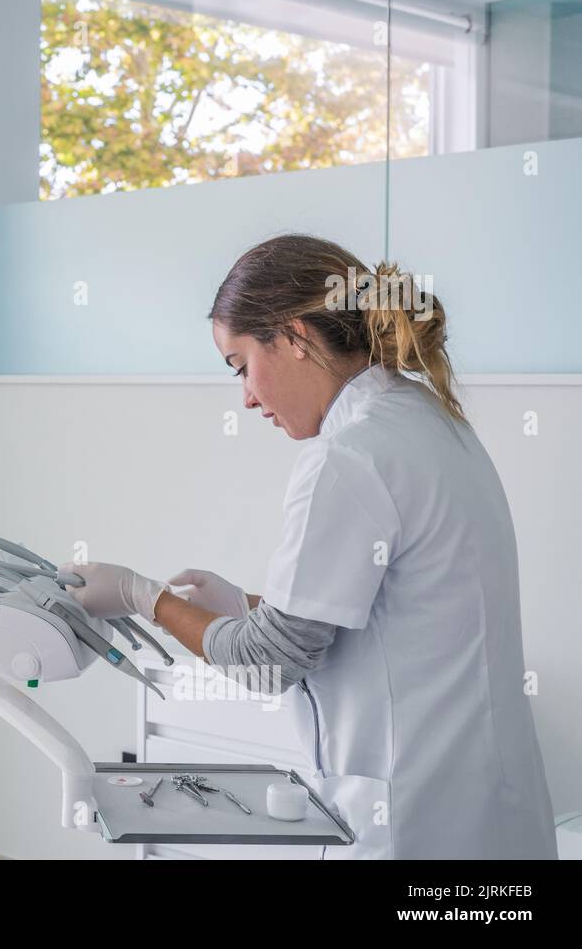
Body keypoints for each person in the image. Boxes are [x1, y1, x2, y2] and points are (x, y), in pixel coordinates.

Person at [67, 233, 557, 859]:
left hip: (410, 823)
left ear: (295, 336)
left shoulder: (347, 457)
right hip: (493, 818)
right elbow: (392, 614)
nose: (246, 397)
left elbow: (268, 662)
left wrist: (143, 596)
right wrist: (248, 605)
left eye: (242, 365)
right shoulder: (432, 421)